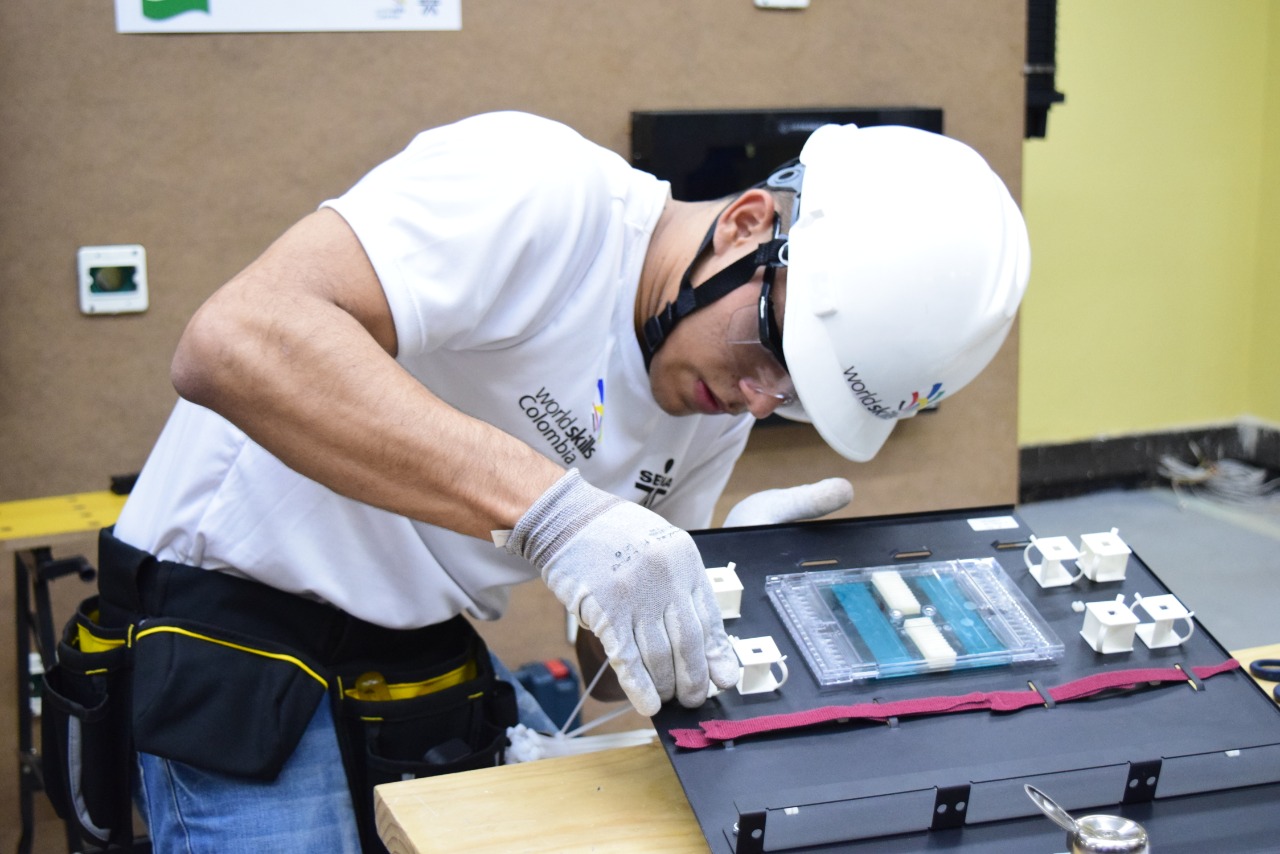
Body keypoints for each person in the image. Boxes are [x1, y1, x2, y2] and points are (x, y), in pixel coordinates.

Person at [89, 111, 1027, 852]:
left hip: (415, 647)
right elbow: (233, 340)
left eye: (795, 397)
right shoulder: (539, 192)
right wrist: (554, 511)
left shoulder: (711, 403)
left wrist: (715, 579)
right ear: (746, 224)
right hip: (235, 614)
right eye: (772, 349)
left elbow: (603, 666)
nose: (755, 397)